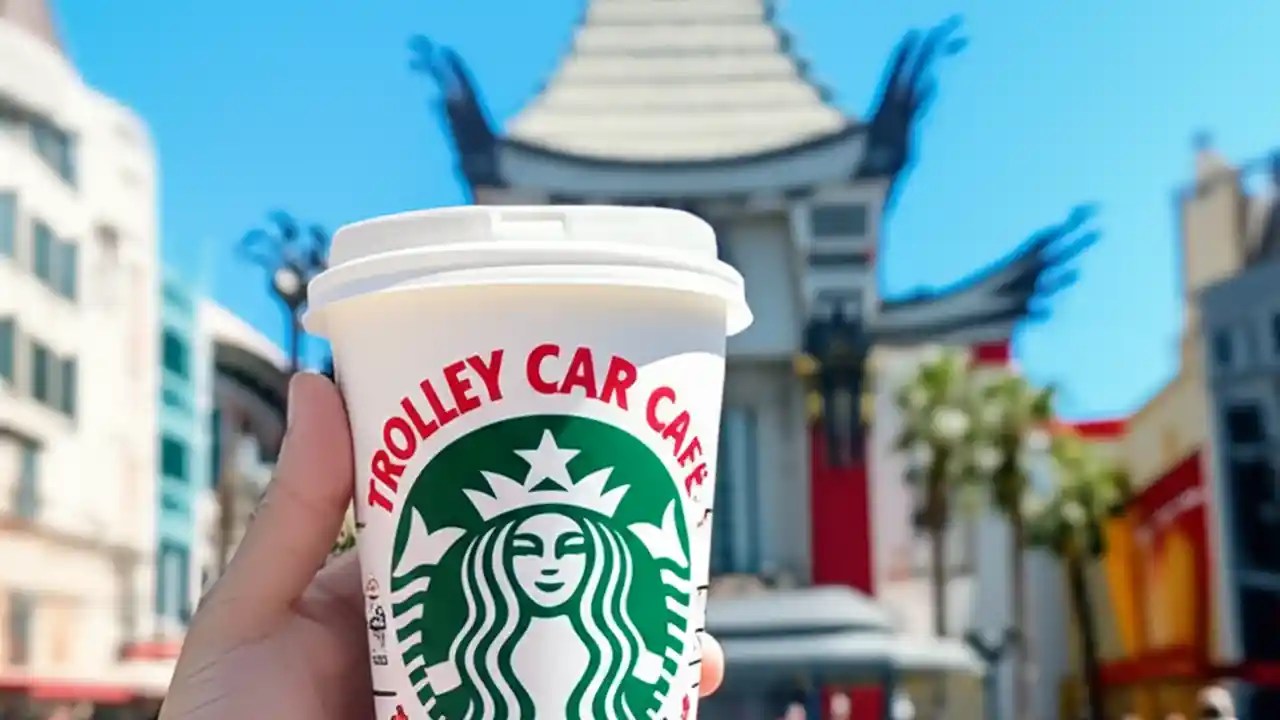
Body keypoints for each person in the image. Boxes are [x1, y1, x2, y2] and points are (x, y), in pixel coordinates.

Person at [159, 373, 725, 719]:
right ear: (496, 561)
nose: (550, 563)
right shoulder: (463, 670)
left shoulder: (630, 662)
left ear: (603, 559)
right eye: (527, 548)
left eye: (570, 548)